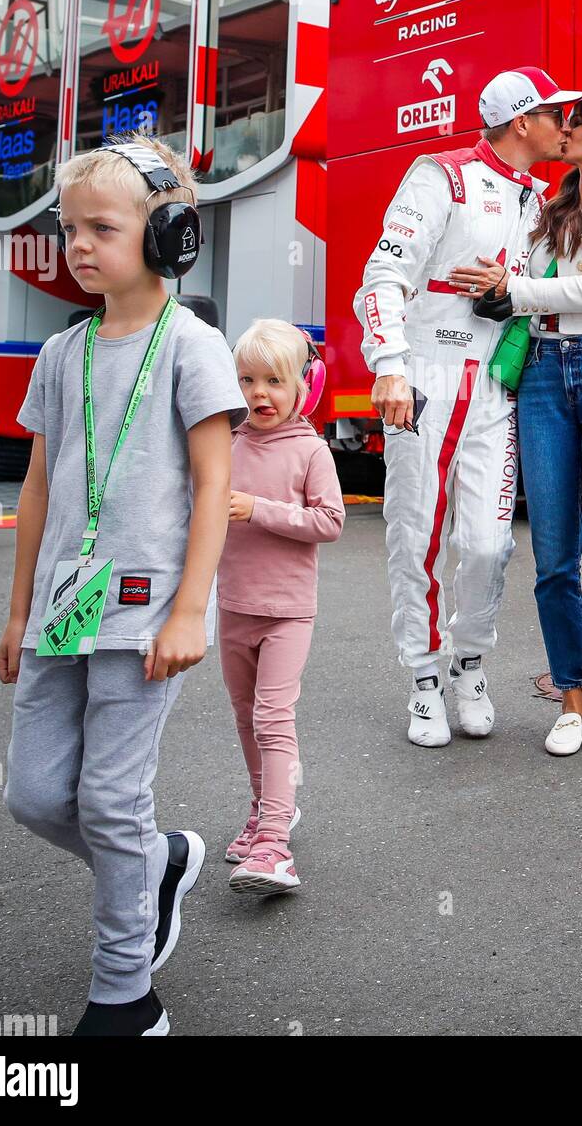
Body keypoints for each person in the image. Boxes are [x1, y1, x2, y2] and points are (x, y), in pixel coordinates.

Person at [0, 133, 249, 1036]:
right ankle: (158, 862)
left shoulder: (194, 345)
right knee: (33, 795)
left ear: (171, 233)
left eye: (101, 227)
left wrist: (190, 608)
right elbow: (37, 486)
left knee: (107, 799)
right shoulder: (61, 354)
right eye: (69, 229)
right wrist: (20, 608)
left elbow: (216, 483)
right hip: (64, 604)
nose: (79, 245)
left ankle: (124, 996)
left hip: (150, 609)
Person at [354, 67, 582, 748]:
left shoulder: (543, 201)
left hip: (501, 384)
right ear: (526, 121)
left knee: (490, 546)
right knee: (416, 536)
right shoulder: (441, 175)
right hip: (428, 378)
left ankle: (469, 666)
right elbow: (382, 275)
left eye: (574, 116)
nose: (566, 123)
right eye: (557, 112)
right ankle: (424, 680)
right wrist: (391, 367)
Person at [450, 91, 582, 756]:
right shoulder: (549, 204)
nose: (562, 130)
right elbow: (543, 278)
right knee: (553, 555)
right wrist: (498, 283)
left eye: (576, 122)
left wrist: (517, 292)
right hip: (542, 373)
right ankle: (570, 699)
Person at [217, 318, 345, 893]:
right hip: (232, 607)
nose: (259, 393)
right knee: (245, 718)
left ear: (303, 385)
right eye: (248, 380)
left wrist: (259, 509)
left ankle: (274, 845)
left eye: (274, 380)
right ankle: (266, 809)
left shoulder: (311, 451)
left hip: (288, 610)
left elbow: (331, 522)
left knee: (273, 719)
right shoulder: (228, 442)